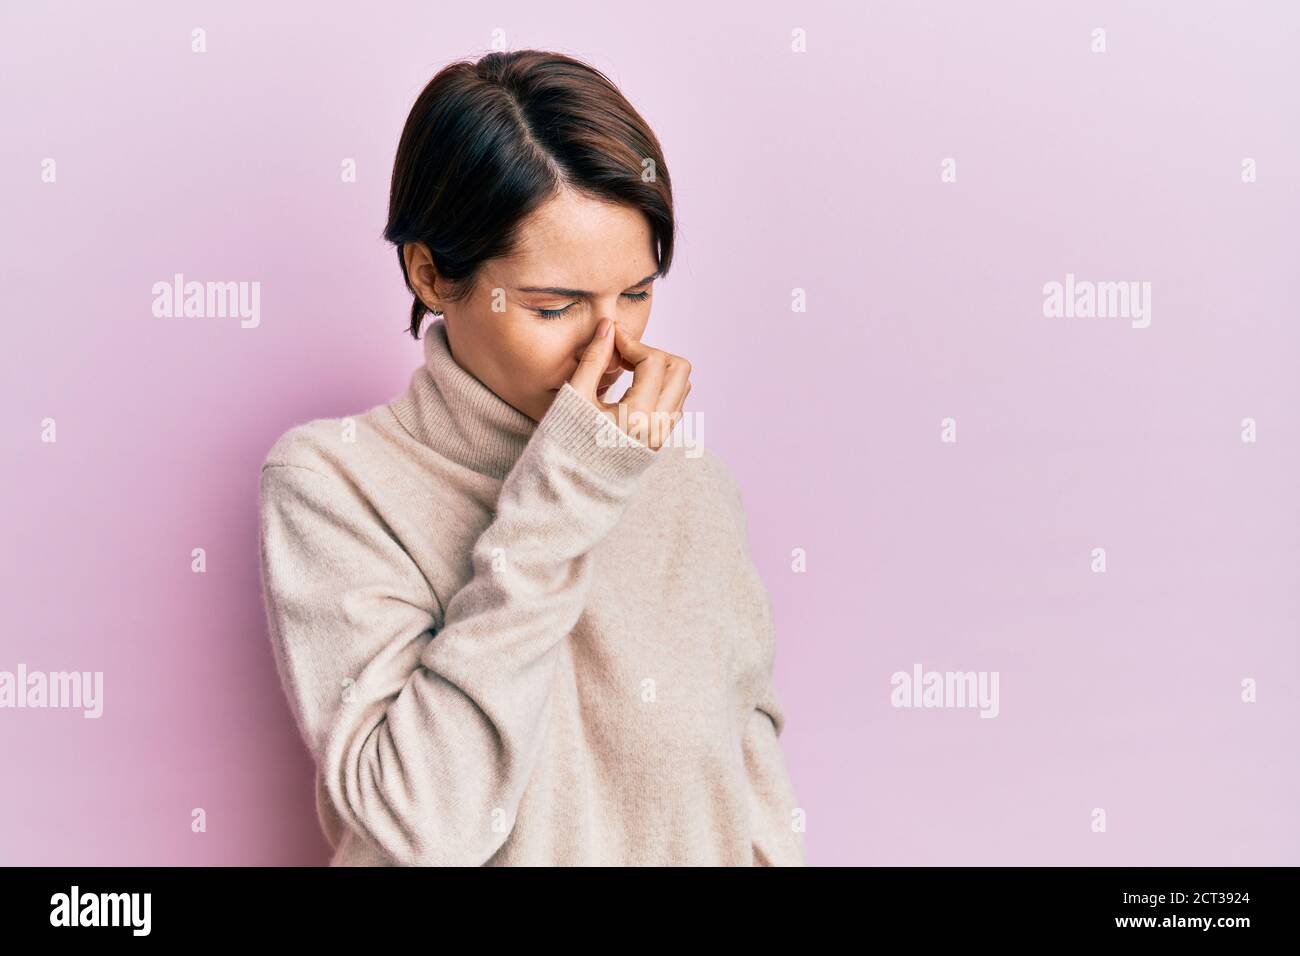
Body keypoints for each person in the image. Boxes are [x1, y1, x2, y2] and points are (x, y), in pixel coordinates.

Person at [256, 49, 805, 866]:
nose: (611, 348)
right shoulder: (333, 485)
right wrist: (570, 488)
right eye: (555, 308)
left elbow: (749, 779)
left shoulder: (690, 483)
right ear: (431, 274)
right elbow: (422, 824)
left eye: (638, 293)